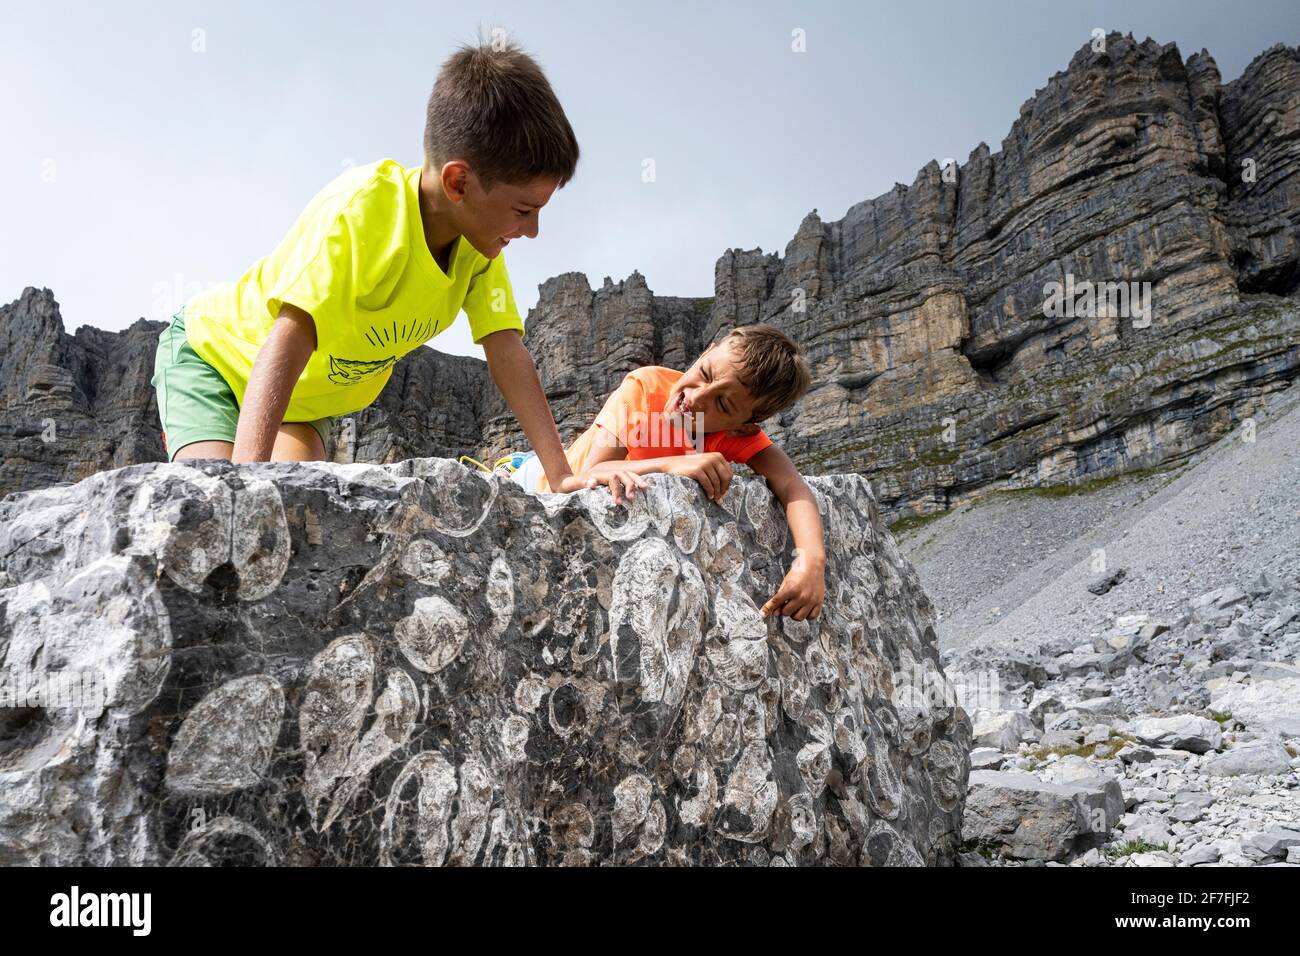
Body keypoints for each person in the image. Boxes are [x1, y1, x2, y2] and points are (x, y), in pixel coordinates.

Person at [150, 39, 608, 495]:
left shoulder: (478, 246)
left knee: (296, 509)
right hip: (213, 360)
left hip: (301, 406)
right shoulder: (361, 213)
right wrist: (244, 480)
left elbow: (507, 352)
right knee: (216, 501)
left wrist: (561, 473)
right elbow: (289, 339)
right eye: (524, 210)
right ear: (458, 181)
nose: (533, 231)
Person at [505, 325, 825, 620]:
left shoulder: (733, 434)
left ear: (742, 429)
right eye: (705, 373)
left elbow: (790, 483)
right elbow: (592, 472)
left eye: (723, 405)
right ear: (705, 352)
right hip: (538, 479)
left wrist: (811, 561)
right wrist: (671, 466)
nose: (697, 397)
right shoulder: (644, 388)